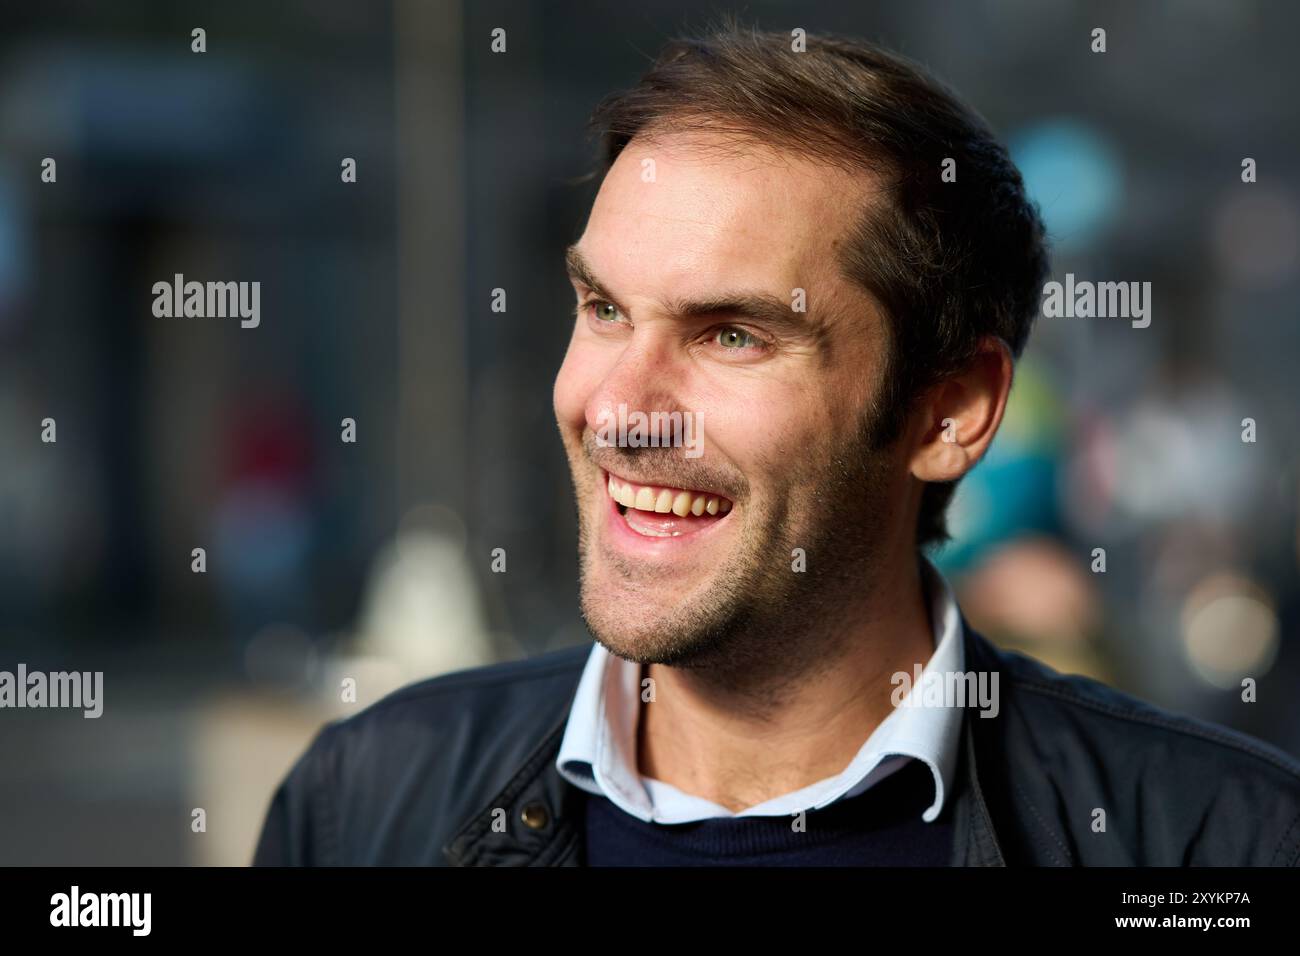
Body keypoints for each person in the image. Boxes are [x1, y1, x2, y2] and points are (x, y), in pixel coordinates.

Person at [253, 25, 1300, 866]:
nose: (619, 408)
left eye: (732, 334)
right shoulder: (365, 801)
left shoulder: (1215, 838)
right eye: (603, 308)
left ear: (950, 411)